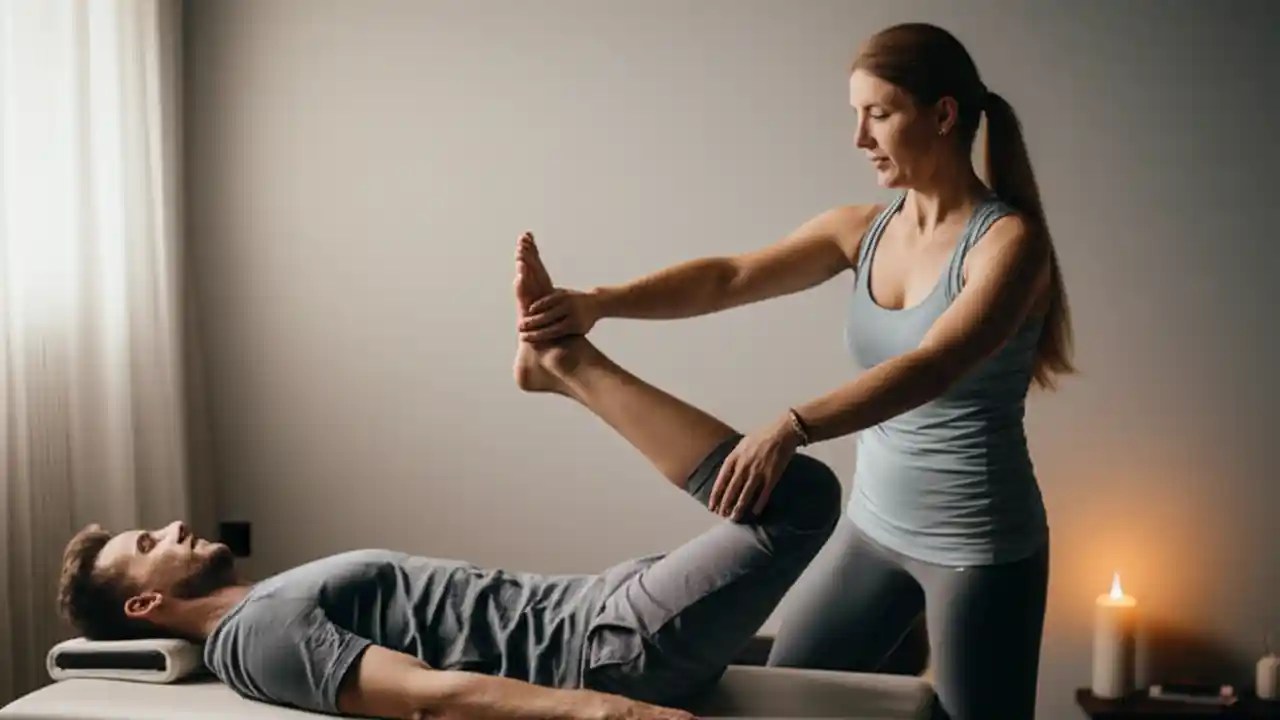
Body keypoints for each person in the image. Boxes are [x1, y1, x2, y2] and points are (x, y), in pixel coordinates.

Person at [516, 22, 1073, 720]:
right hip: (874, 531)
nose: (859, 138)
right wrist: (600, 303)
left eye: (878, 114)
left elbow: (933, 365)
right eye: (855, 116)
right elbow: (730, 277)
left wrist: (793, 426)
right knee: (786, 701)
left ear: (943, 116)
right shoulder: (864, 229)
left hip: (979, 545)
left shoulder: (1009, 247)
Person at [54, 240, 842, 720]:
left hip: (595, 608)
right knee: (799, 500)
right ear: (145, 604)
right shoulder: (254, 638)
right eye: (148, 543)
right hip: (605, 651)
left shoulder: (263, 606)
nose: (171, 525)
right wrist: (612, 713)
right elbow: (431, 697)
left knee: (813, 624)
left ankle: (566, 370)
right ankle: (569, 366)